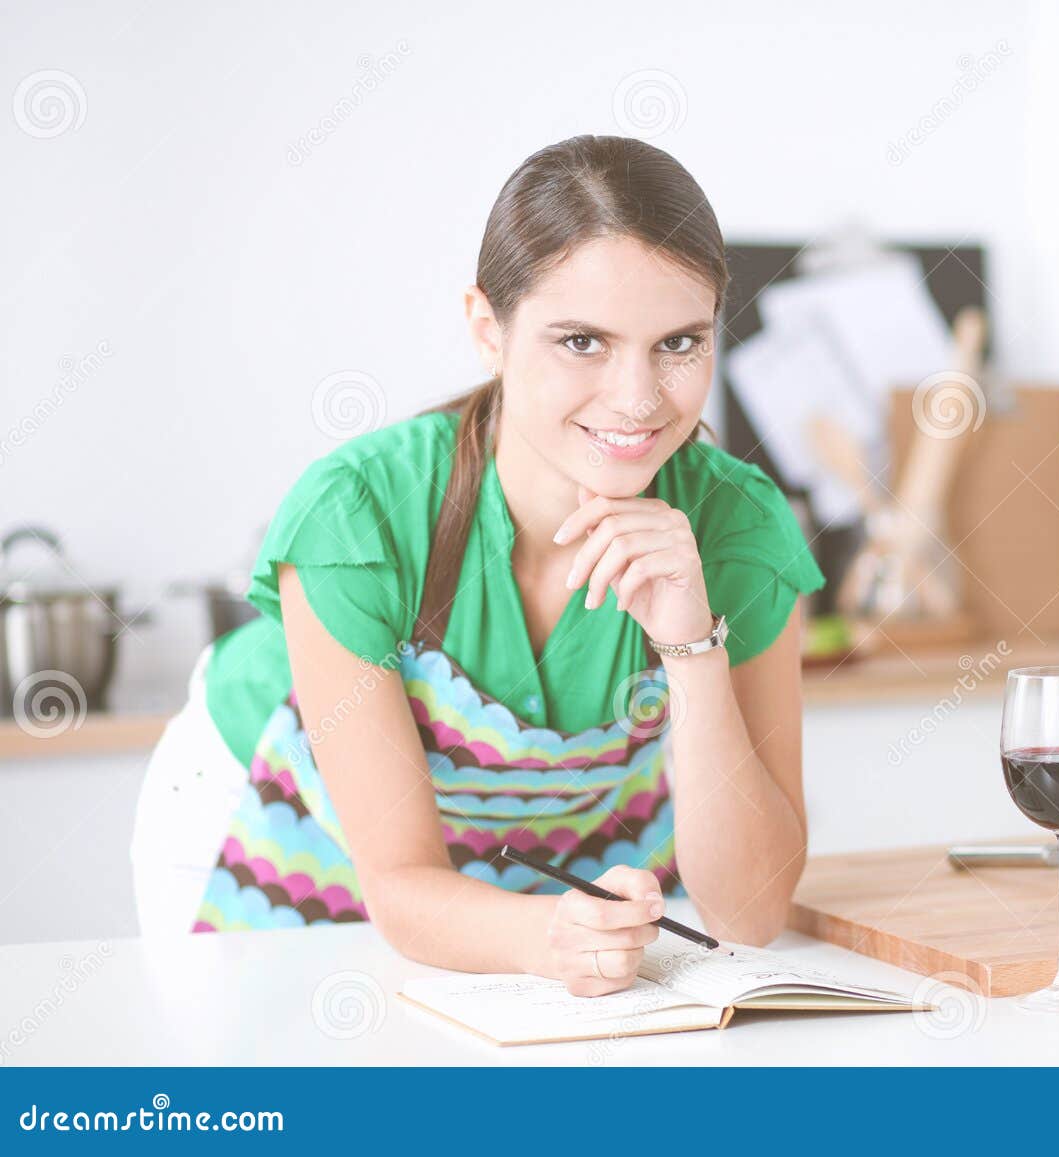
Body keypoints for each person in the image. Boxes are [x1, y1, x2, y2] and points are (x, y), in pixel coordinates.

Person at [130, 135, 824, 996]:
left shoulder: (737, 526)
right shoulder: (361, 512)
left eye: (678, 342)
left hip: (555, 873)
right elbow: (401, 885)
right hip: (290, 826)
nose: (638, 397)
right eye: (582, 341)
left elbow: (750, 912)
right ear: (487, 330)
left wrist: (692, 642)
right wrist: (548, 935)